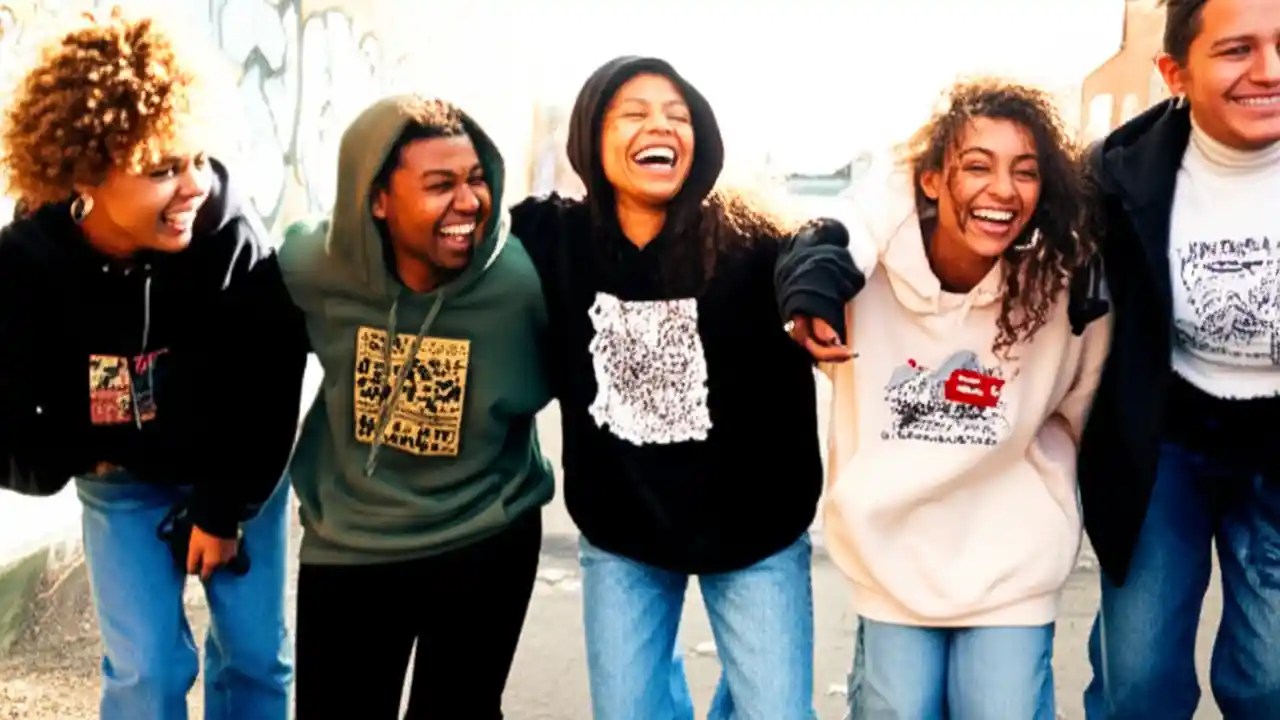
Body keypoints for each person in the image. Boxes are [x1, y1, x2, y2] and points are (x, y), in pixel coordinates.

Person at [509, 56, 861, 719]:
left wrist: (814, 285)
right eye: (634, 114)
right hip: (624, 532)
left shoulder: (751, 240)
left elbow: (816, 238)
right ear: (591, 134)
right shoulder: (553, 238)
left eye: (677, 115)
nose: (660, 126)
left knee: (777, 712)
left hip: (754, 531)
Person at [0, 8, 301, 720]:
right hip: (123, 486)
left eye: (197, 158)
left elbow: (270, 382)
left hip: (236, 467)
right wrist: (74, 452)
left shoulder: (228, 234)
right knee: (148, 674)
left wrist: (225, 510)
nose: (194, 184)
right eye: (163, 169)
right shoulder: (28, 263)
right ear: (85, 173)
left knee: (257, 658)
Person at [822, 78, 1110, 718]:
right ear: (926, 180)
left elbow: (1083, 410)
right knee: (899, 708)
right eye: (976, 166)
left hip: (1012, 570)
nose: (1003, 190)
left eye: (1025, 171)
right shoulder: (857, 278)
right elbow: (858, 215)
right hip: (891, 565)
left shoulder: (1066, 290)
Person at [275, 96, 554, 719]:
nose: (468, 202)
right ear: (377, 199)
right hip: (351, 542)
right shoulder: (313, 267)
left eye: (476, 179)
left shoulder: (520, 284)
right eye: (439, 185)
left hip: (486, 533)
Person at [1080, 0, 1280, 717]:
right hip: (1163, 445)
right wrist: (825, 259)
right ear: (1175, 73)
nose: (1270, 71)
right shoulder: (1117, 173)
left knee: (1272, 683)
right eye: (1236, 51)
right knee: (1139, 682)